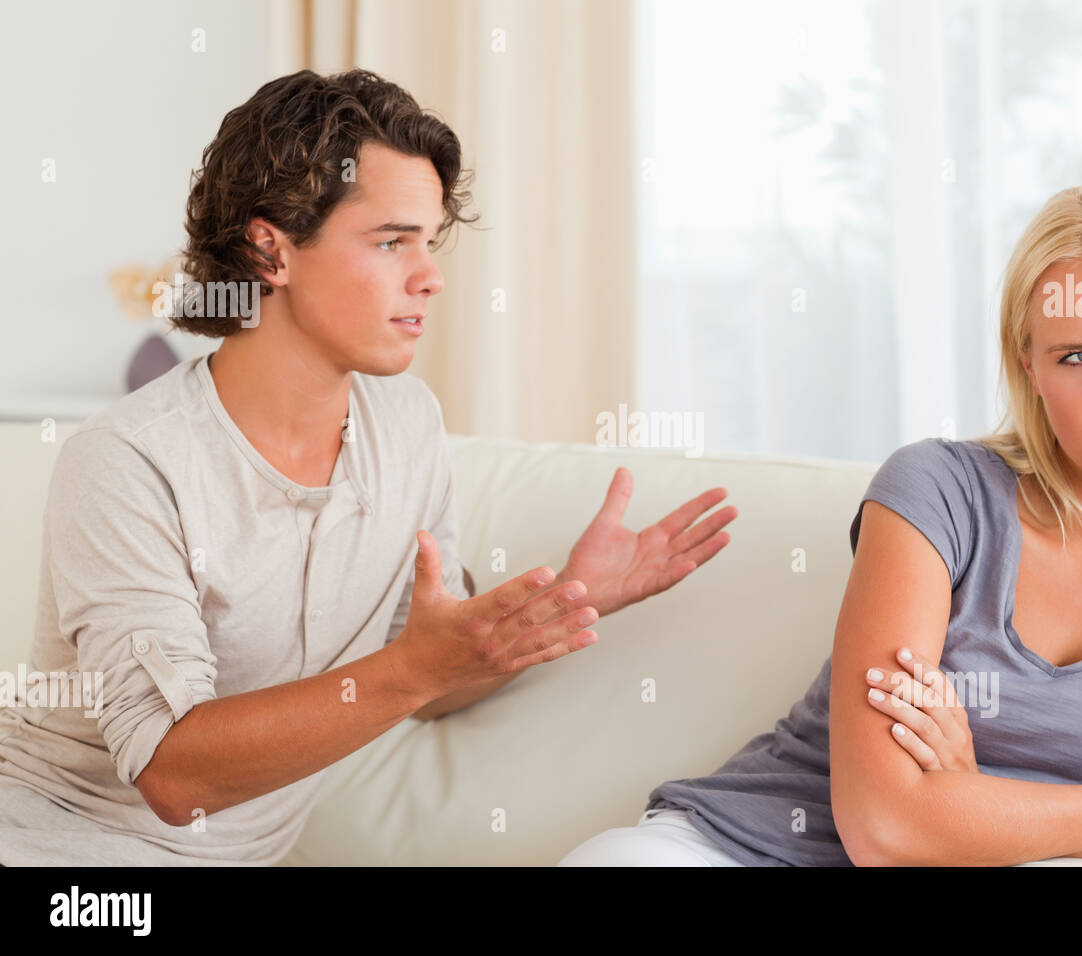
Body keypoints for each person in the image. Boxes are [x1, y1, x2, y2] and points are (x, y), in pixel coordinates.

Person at [0, 68, 737, 866]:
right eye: (391, 242)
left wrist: (570, 598)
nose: (431, 275)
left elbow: (428, 677)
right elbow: (174, 776)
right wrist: (413, 668)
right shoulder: (128, 462)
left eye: (430, 242)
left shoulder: (407, 425)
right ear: (270, 248)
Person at [559, 183, 1082, 867]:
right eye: (1078, 356)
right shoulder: (937, 490)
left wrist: (966, 800)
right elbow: (883, 827)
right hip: (747, 848)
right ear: (1031, 369)